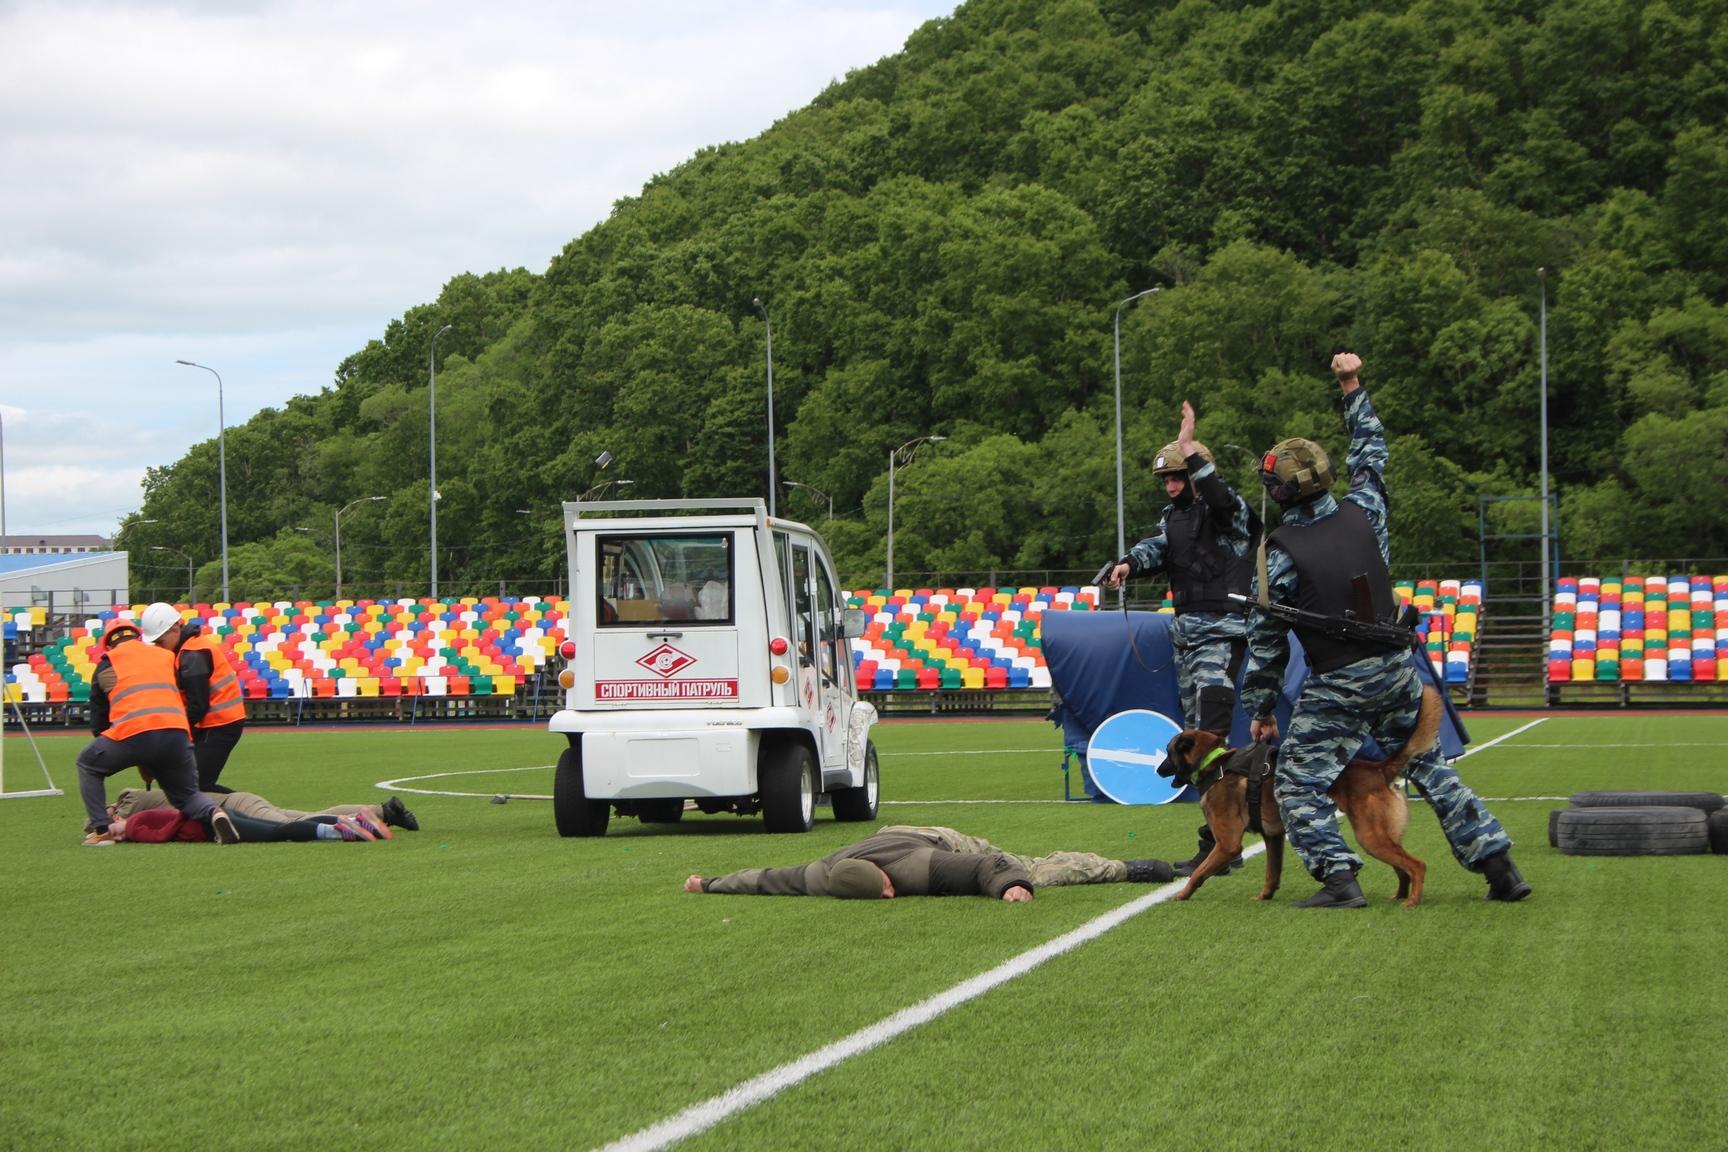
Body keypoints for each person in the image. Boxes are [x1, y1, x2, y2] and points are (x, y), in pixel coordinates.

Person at [1242, 352, 1530, 908]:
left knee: (1298, 781)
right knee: (1428, 766)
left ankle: (1340, 880)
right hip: (1398, 671)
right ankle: (1500, 868)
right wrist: (1351, 386)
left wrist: (1259, 709)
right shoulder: (1364, 510)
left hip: (1338, 686)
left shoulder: (1277, 555)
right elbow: (1371, 453)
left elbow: (1266, 643)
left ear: (1279, 494)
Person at [1102, 399, 1257, 875]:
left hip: (1220, 633)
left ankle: (1219, 843)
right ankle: (1218, 840)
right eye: (1166, 479)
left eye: (1177, 476)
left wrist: (1191, 448)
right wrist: (1128, 563)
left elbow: (1227, 502)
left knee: (1211, 740)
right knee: (1197, 745)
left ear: (1195, 473)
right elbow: (1158, 548)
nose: (1170, 486)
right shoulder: (1173, 519)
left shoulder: (1225, 512)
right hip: (1186, 636)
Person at [682, 825, 1175, 901]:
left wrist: (1012, 885)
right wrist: (709, 884)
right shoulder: (821, 875)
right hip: (883, 839)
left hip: (933, 839)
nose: (891, 896)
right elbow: (767, 879)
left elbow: (989, 866)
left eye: (885, 891)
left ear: (886, 881)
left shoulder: (920, 868)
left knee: (1040, 868)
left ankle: (1133, 867)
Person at [76, 620, 233, 846]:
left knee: (88, 764)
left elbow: (99, 721)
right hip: (177, 733)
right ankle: (214, 813)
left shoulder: (107, 663)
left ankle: (102, 829)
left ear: (109, 645)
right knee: (186, 795)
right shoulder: (164, 656)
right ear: (139, 638)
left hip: (133, 732)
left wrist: (134, 755)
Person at [140, 602, 246, 791]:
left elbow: (197, 705)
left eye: (160, 642)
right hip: (212, 723)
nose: (159, 647)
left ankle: (248, 809)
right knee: (190, 783)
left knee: (198, 784)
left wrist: (175, 729)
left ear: (175, 629)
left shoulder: (192, 654)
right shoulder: (184, 650)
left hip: (220, 724)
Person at [109, 786, 419, 835]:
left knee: (291, 823)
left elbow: (100, 829)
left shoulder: (131, 800)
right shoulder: (139, 799)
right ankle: (384, 811)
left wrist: (100, 825)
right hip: (238, 801)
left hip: (235, 806)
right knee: (301, 815)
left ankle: (357, 823)